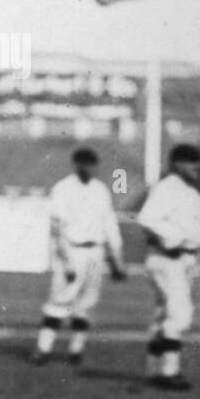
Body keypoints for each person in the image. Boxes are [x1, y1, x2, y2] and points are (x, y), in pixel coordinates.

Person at [32, 147, 127, 366]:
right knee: (60, 299)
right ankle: (43, 348)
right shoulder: (63, 188)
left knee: (86, 302)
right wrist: (66, 260)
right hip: (72, 249)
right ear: (76, 164)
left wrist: (117, 259)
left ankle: (76, 349)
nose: (88, 167)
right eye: (84, 163)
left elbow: (109, 225)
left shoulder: (101, 190)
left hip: (95, 250)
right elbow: (57, 227)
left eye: (91, 163)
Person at [137, 143, 200, 390]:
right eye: (191, 162)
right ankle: (169, 372)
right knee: (179, 314)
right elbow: (146, 218)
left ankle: (153, 370)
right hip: (166, 258)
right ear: (177, 164)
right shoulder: (166, 188)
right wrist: (174, 238)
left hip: (182, 260)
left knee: (164, 315)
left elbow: (199, 228)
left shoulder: (190, 193)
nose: (196, 167)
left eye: (197, 163)